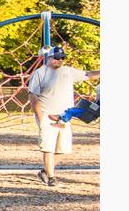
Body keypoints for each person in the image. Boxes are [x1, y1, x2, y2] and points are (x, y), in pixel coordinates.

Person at [20, 45, 98, 186]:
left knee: (63, 149)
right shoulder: (40, 73)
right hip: (47, 115)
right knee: (48, 147)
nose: (59, 60)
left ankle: (44, 171)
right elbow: (33, 97)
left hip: (63, 116)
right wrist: (40, 116)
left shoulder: (68, 72)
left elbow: (88, 75)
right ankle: (51, 177)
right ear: (49, 57)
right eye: (56, 58)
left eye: (62, 58)